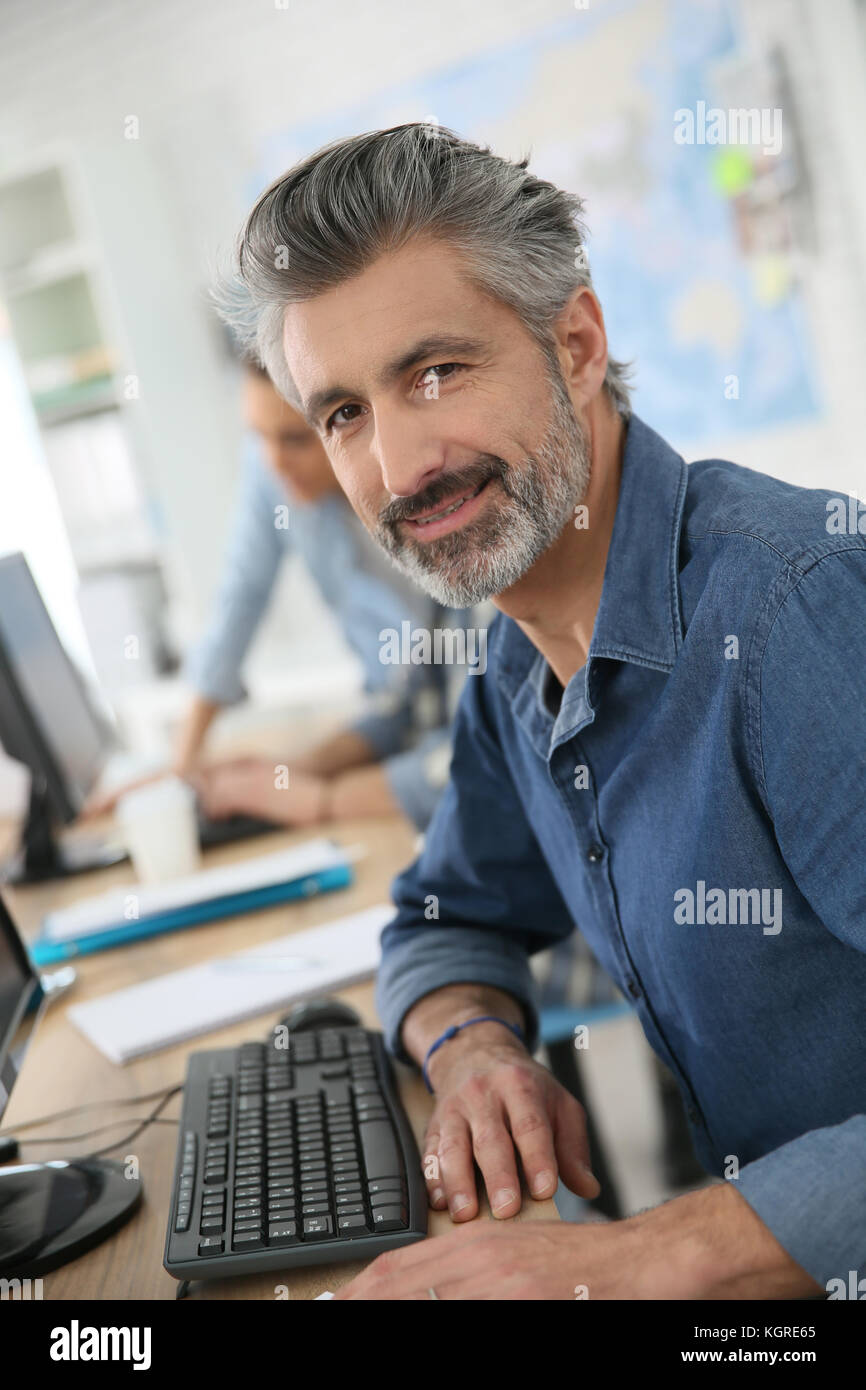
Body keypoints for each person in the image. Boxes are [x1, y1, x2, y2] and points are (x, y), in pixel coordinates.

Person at [223, 122, 865, 1300]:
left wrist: (640, 1257)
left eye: (435, 372)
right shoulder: (514, 653)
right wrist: (471, 1048)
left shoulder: (794, 615)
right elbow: (438, 917)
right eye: (343, 414)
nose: (398, 464)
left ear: (573, 343)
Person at [88, 356, 479, 831]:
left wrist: (323, 799)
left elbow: (477, 754)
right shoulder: (274, 464)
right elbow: (240, 597)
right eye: (257, 437)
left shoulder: (461, 527)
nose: (273, 463)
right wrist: (190, 769)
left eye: (294, 439)